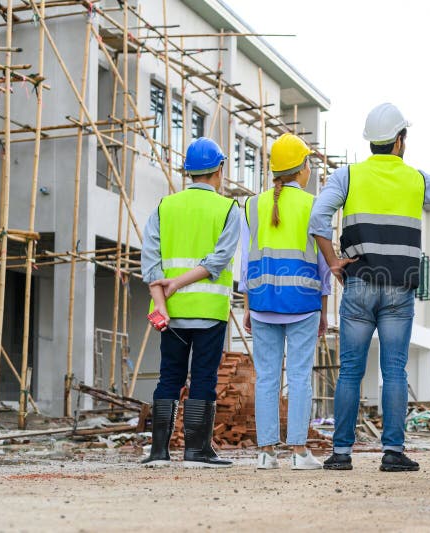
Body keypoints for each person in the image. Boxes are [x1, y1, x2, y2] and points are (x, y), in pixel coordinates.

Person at [309, 103, 430, 472]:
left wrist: (334, 261)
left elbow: (317, 219)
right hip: (399, 289)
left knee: (351, 371)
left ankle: (341, 453)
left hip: (358, 285)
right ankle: (392, 451)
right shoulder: (414, 179)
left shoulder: (348, 176)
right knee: (395, 371)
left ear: (371, 142)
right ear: (399, 141)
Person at [140, 137, 240, 468]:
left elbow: (151, 263)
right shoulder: (228, 209)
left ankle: (158, 453)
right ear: (219, 170)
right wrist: (179, 284)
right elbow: (218, 260)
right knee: (203, 379)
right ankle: (197, 451)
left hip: (172, 314)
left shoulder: (164, 207)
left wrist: (162, 302)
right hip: (209, 313)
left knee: (169, 376)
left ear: (188, 172)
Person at [240, 133, 330, 470]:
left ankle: (265, 453)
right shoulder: (314, 205)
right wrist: (323, 309)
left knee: (266, 377)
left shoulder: (252, 205)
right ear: (303, 168)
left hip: (263, 301)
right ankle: (298, 452)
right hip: (304, 302)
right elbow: (323, 263)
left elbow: (245, 263)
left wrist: (248, 305)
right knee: (300, 376)